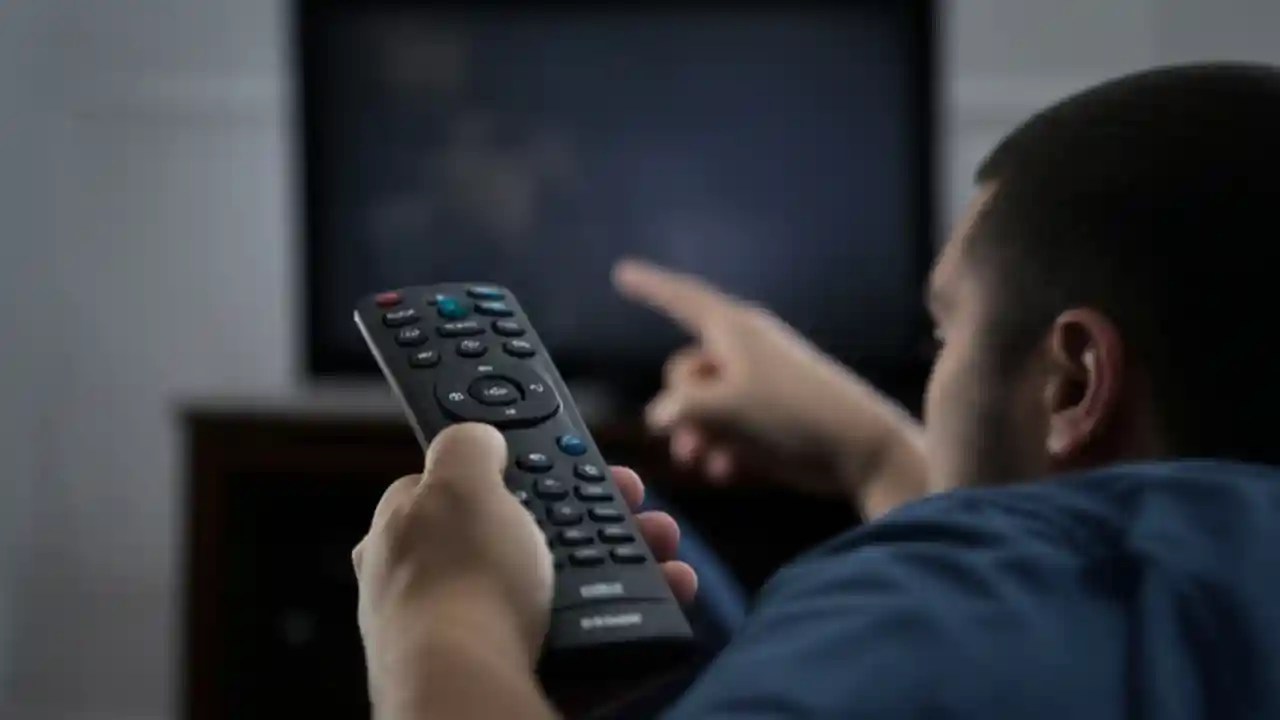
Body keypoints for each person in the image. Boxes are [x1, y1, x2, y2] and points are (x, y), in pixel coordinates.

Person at [349, 62, 1280, 718]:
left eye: (944, 332)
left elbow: (1009, 598)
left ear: (1074, 380)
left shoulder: (934, 599)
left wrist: (442, 622)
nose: (934, 368)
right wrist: (876, 452)